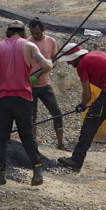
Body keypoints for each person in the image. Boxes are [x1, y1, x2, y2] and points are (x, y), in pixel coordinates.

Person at [0, 19, 52, 186]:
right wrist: (50, 62)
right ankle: (37, 171)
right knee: (27, 135)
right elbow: (46, 66)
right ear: (23, 32)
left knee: (2, 137)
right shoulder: (29, 46)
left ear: (8, 32)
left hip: (3, 98)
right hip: (23, 98)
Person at [57, 44, 106, 177]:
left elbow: (87, 94)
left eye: (69, 60)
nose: (68, 63)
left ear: (75, 57)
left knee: (90, 123)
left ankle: (76, 160)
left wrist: (82, 105)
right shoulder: (96, 54)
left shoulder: (82, 65)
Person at [27, 18, 66, 150]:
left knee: (57, 112)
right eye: (32, 33)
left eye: (37, 33)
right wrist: (28, 78)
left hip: (45, 85)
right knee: (32, 116)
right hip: (31, 85)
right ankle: (33, 145)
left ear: (43, 30)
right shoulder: (27, 43)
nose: (35, 36)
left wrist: (49, 66)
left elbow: (55, 60)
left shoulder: (51, 41)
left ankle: (60, 144)